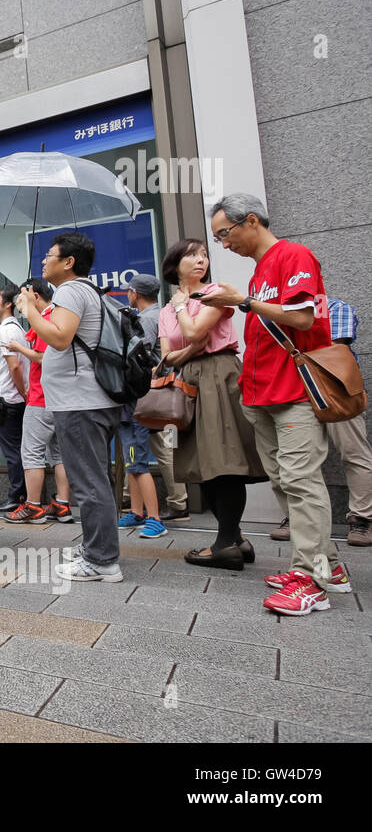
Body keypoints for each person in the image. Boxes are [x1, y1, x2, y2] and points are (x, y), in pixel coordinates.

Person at [202, 193, 352, 615]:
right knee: (286, 482)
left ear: (251, 221)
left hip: (294, 394)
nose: (224, 244)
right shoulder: (260, 270)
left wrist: (242, 302)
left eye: (225, 234)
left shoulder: (294, 255)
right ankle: (330, 567)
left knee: (301, 482)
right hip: (261, 394)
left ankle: (310, 580)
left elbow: (303, 317)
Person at [19, 233, 124, 582]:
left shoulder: (71, 290)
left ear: (68, 262)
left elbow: (60, 338)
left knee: (89, 482)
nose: (44, 261)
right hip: (88, 400)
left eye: (50, 255)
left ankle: (101, 560)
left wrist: (30, 310)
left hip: (80, 403)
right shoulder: (83, 292)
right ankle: (98, 548)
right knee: (95, 479)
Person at [157, 238, 266, 571]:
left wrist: (181, 311)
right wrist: (190, 348)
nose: (201, 260)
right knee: (203, 463)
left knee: (226, 460)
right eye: (192, 255)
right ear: (175, 265)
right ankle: (235, 539)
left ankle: (225, 545)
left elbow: (193, 332)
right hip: (188, 380)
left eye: (204, 254)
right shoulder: (165, 310)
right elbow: (167, 357)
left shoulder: (215, 292)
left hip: (220, 374)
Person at [3, 278, 71, 523]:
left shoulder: (47, 318)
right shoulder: (61, 315)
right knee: (59, 455)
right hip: (60, 398)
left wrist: (18, 349)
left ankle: (33, 506)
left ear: (35, 296)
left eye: (22, 299)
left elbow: (43, 357)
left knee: (31, 453)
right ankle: (62, 505)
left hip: (41, 398)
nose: (20, 306)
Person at [116, 274, 166, 538]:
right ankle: (136, 512)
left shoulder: (146, 319)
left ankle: (155, 518)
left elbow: (137, 356)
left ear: (135, 293)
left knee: (138, 460)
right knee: (132, 459)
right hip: (141, 399)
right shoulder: (157, 315)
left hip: (139, 398)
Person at [324, 297, 372, 547]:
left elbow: (334, 348)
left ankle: (362, 519)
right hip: (295, 391)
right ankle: (296, 516)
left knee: (354, 453)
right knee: (300, 458)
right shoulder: (277, 311)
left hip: (336, 388)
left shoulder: (335, 308)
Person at [0, 285, 28, 513]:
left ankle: (17, 495)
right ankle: (20, 494)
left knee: (12, 451)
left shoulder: (6, 330)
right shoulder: (17, 329)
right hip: (15, 397)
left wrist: (23, 393)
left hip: (9, 398)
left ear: (8, 304)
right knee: (18, 449)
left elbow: (14, 367)